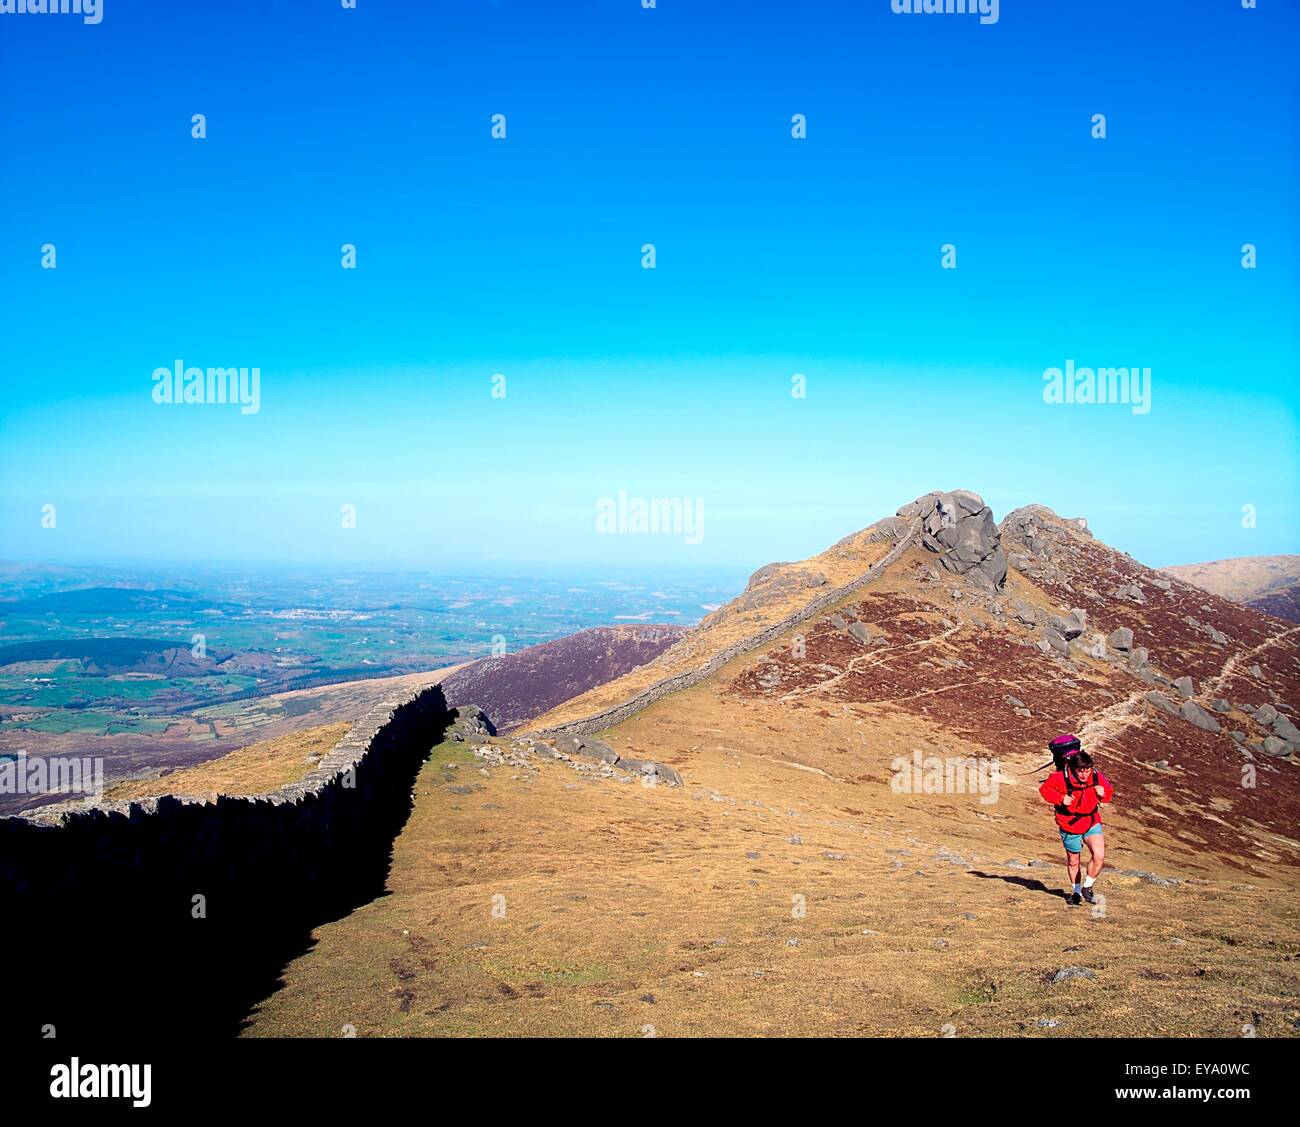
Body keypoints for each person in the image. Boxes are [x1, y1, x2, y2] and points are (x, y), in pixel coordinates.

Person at [1038, 736, 1113, 906]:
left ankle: (1087, 887)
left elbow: (1108, 794)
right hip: (1069, 824)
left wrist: (1104, 793)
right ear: (1073, 768)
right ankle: (1076, 892)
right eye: (1081, 771)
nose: (1085, 774)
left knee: (1099, 855)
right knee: (1074, 861)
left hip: (1091, 820)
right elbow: (1044, 790)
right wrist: (1060, 798)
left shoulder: (1095, 776)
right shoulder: (1059, 778)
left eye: (1088, 770)